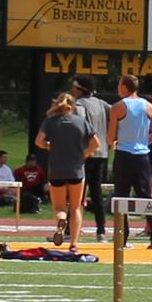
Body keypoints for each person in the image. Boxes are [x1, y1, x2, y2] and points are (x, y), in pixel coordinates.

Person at [35, 92, 98, 251]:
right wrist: (84, 155)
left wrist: (49, 146)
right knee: (76, 207)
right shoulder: (81, 122)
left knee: (59, 207)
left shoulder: (50, 122)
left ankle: (61, 221)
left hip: (56, 170)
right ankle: (74, 244)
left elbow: (38, 141)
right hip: (76, 170)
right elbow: (95, 144)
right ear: (72, 106)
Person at [106, 74, 152, 247]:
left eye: (119, 84)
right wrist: (144, 142)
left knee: (121, 196)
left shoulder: (118, 107)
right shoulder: (149, 107)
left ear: (125, 87)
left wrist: (113, 143)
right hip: (142, 156)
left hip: (124, 155)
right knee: (146, 197)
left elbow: (110, 136)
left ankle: (122, 237)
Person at [73, 75, 112, 243]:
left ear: (81, 89)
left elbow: (79, 124)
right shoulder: (103, 104)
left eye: (74, 87)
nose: (72, 90)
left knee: (76, 193)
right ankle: (101, 231)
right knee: (96, 193)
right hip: (102, 153)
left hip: (85, 152)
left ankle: (71, 229)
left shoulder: (79, 105)